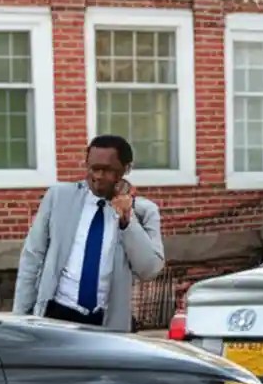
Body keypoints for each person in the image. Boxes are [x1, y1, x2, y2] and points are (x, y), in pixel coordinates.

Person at [13, 134, 165, 332]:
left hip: (106, 322)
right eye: (93, 168)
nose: (98, 177)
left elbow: (150, 269)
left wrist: (127, 220)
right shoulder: (59, 197)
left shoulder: (144, 212)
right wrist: (20, 319)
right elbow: (32, 258)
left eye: (108, 170)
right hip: (56, 313)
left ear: (126, 169)